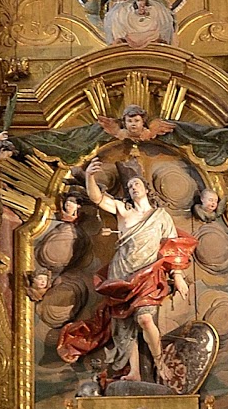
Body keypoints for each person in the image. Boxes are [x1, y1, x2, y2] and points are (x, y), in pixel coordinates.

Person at [57, 159, 196, 389]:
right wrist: (90, 177)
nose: (133, 188)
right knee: (124, 324)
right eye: (130, 187)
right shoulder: (123, 210)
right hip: (122, 272)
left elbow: (173, 245)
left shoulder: (160, 215)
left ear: (145, 187)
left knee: (144, 318)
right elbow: (98, 199)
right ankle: (133, 372)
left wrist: (179, 277)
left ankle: (160, 362)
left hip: (149, 273)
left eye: (136, 184)